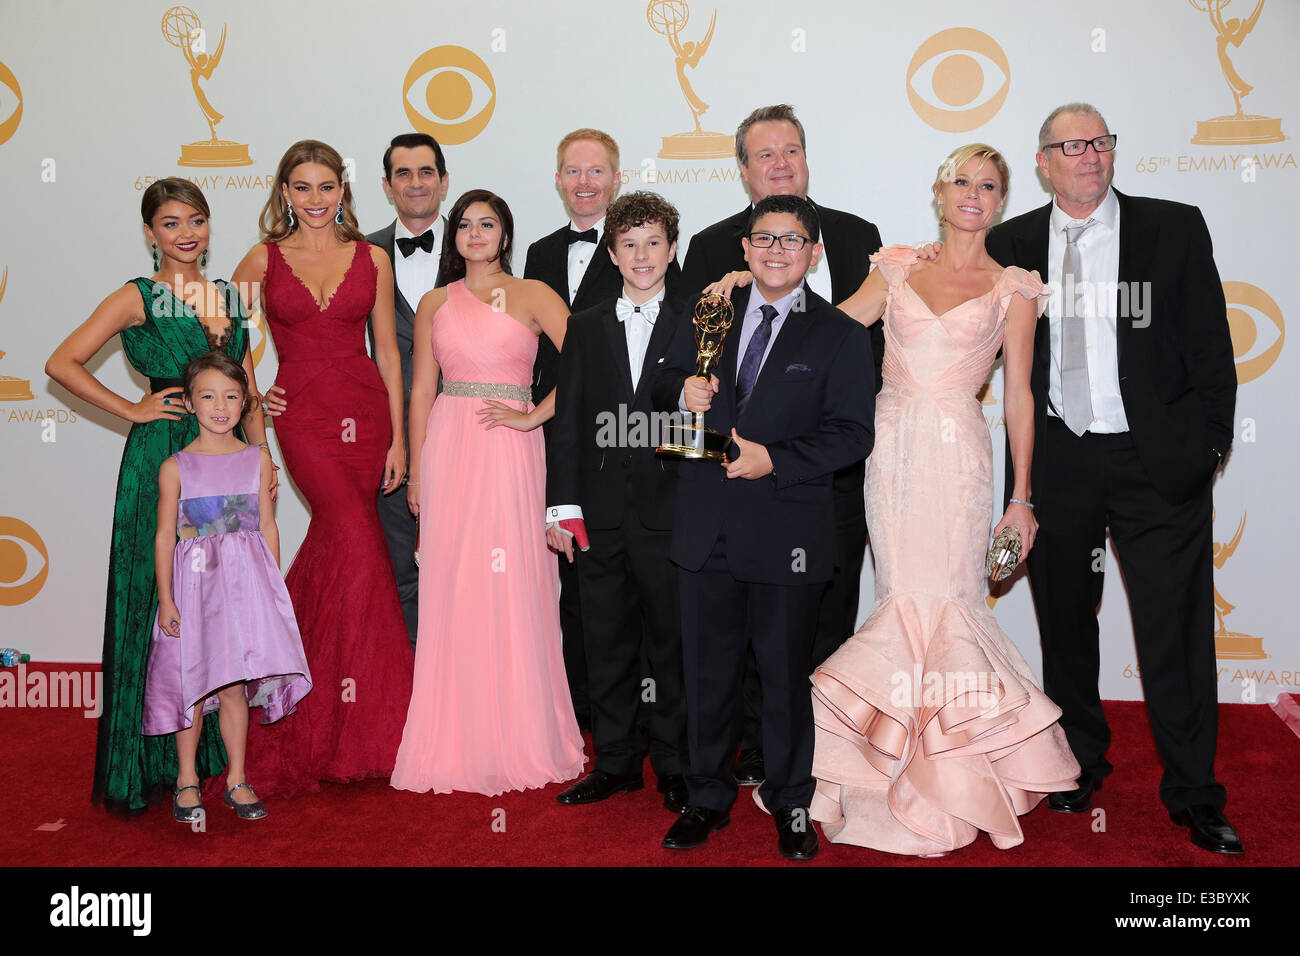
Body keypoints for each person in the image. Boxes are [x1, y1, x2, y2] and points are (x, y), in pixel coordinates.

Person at [806, 144, 1081, 856]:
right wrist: (760, 286)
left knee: (951, 596)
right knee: (899, 594)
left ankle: (955, 778)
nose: (972, 194)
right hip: (891, 447)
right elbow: (827, 332)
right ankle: (888, 772)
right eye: (961, 180)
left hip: (960, 453)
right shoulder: (897, 266)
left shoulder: (1014, 286)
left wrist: (1021, 498)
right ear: (939, 191)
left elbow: (1019, 393)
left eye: (988, 185)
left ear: (1000, 200)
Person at [986, 104, 1242, 854]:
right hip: (1060, 460)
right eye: (1073, 145)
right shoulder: (1013, 242)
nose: (1090, 155)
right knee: (1066, 625)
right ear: (1043, 162)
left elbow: (1210, 346)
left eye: (1100, 142)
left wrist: (1205, 449)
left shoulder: (1174, 226)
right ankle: (1080, 767)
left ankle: (1195, 793)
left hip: (1155, 463)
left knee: (1176, 633)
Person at [654, 194, 875, 861]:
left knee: (784, 679)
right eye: (764, 238)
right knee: (708, 675)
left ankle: (791, 802)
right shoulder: (704, 314)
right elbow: (655, 400)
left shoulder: (839, 333)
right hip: (705, 525)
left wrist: (773, 460)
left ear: (813, 252)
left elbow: (852, 435)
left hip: (790, 533)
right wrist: (681, 398)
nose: (776, 250)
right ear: (744, 248)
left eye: (791, 240)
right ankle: (706, 797)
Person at [46, 178, 276, 816]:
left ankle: (213, 766)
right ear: (150, 233)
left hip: (227, 460)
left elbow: (247, 386)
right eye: (171, 223)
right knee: (159, 599)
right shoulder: (136, 296)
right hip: (163, 456)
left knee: (219, 606)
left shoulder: (229, 295)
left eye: (196, 221)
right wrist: (131, 409)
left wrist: (264, 457)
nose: (186, 234)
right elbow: (62, 361)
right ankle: (147, 764)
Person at [680, 105, 883, 786]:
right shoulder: (710, 255)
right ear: (742, 171)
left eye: (791, 150)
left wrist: (790, 459)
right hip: (724, 497)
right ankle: (729, 775)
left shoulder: (858, 239)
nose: (780, 163)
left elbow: (859, 388)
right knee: (721, 658)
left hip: (818, 492)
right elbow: (681, 374)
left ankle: (805, 776)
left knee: (810, 641)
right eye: (765, 155)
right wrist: (683, 400)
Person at [233, 139, 414, 797]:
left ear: (344, 190)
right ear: (284, 192)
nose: (315, 199)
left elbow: (391, 355)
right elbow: (230, 335)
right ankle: (350, 722)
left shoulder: (371, 257)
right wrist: (254, 395)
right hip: (304, 414)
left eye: (327, 187)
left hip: (365, 411)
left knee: (346, 547)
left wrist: (399, 441)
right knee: (357, 544)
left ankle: (318, 703)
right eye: (302, 187)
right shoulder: (261, 257)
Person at [392, 189, 585, 795]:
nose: (476, 233)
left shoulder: (532, 294)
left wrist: (533, 416)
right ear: (454, 237)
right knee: (453, 584)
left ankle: (521, 733)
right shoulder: (431, 304)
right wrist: (419, 471)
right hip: (450, 450)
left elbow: (587, 367)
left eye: (489, 224)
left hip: (509, 452)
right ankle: (458, 738)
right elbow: (422, 390)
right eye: (466, 225)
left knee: (512, 583)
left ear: (505, 235)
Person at [545, 191, 689, 814]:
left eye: (653, 242)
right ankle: (615, 761)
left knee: (673, 644)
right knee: (605, 640)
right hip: (599, 514)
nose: (641, 255)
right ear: (612, 251)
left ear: (672, 249)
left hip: (672, 512)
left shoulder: (699, 320)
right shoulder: (586, 324)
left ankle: (677, 766)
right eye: (628, 243)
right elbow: (570, 421)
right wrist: (561, 505)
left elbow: (709, 426)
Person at [144, 353, 311, 822]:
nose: (221, 405)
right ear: (191, 404)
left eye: (232, 396)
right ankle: (187, 780)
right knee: (193, 688)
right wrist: (167, 599)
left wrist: (271, 591)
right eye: (209, 396)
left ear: (245, 404)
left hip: (244, 591)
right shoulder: (175, 467)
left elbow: (269, 528)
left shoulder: (257, 460)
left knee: (235, 688)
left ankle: (237, 778)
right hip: (195, 591)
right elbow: (164, 537)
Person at [523, 129, 622, 729]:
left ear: (617, 179)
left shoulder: (646, 246)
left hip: (621, 438)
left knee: (616, 577)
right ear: (557, 180)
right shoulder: (537, 253)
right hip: (557, 436)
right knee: (567, 573)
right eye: (572, 171)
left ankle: (630, 708)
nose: (584, 183)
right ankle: (578, 707)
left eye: (596, 171)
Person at [366, 132, 451, 647]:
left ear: (444, 182)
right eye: (403, 173)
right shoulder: (360, 252)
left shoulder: (479, 244)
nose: (415, 183)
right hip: (387, 434)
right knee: (398, 564)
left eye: (425, 172)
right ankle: (409, 692)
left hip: (466, 430)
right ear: (387, 184)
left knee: (464, 564)